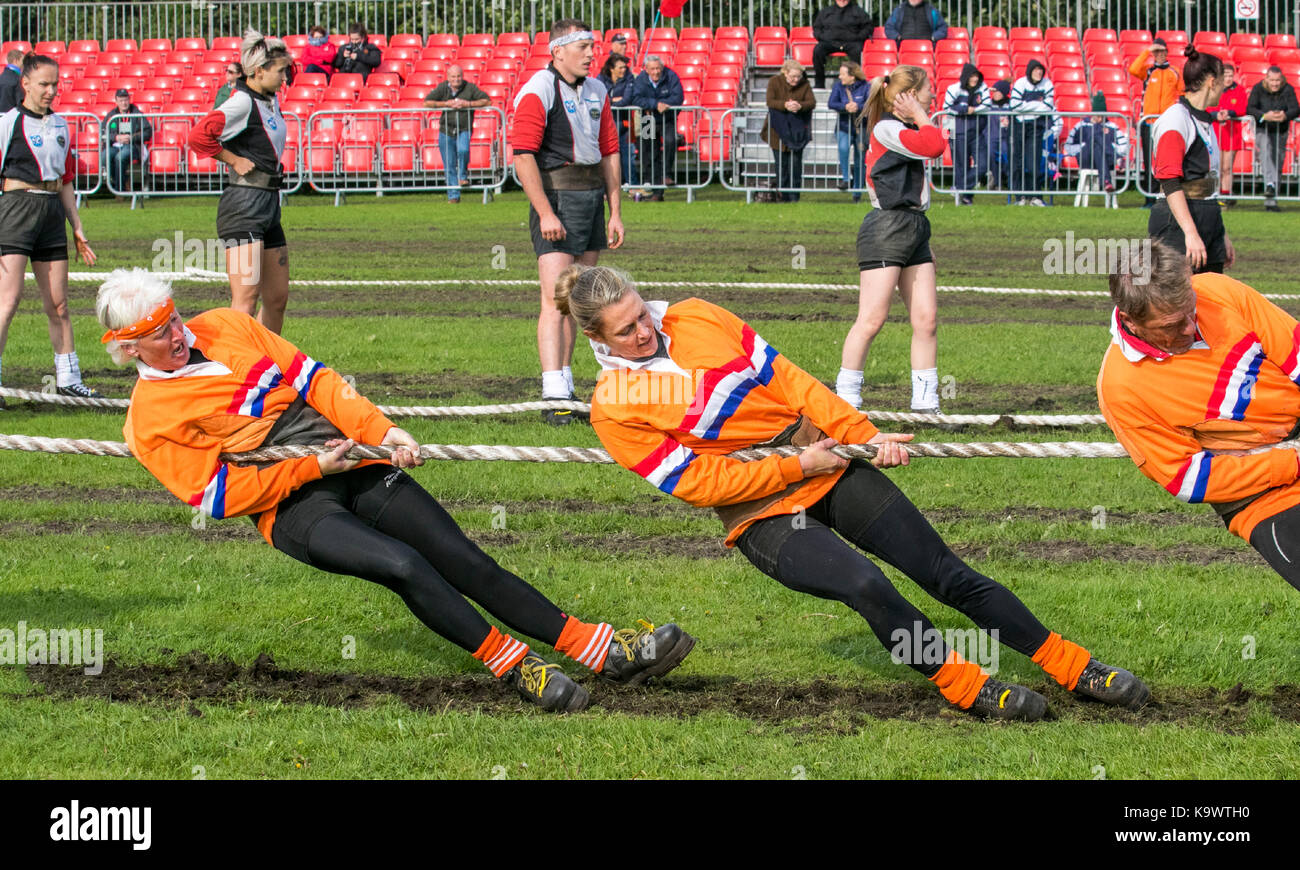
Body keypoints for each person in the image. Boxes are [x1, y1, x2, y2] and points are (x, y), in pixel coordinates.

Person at [558, 263, 1149, 721]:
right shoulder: (614, 409)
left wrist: (862, 436)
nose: (644, 330)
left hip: (829, 458)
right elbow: (701, 483)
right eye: (627, 329)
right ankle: (965, 685)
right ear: (595, 336)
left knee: (944, 571)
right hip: (762, 509)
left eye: (642, 314)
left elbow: (789, 380)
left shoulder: (694, 315)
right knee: (866, 584)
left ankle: (1074, 667)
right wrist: (796, 468)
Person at [95, 268, 694, 713]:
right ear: (127, 350)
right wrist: (312, 470)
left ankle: (602, 651)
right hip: (292, 506)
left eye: (174, 318)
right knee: (403, 565)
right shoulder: (148, 419)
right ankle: (515, 668)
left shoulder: (225, 326)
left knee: (462, 557)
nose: (178, 334)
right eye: (159, 333)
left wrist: (381, 431)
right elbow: (216, 496)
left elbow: (316, 380)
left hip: (349, 457)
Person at [1098, 242, 1300, 596]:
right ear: (1130, 320)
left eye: (1191, 310)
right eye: (1172, 325)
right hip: (1262, 495)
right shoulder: (1121, 388)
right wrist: (1291, 463)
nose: (1191, 328)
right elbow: (1191, 479)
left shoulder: (1218, 290)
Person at [510, 18, 624, 425]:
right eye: (583, 47)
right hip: (557, 198)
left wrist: (615, 212)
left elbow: (610, 153)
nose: (592, 54)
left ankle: (567, 388)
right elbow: (523, 155)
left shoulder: (598, 90)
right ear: (558, 50)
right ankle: (552, 393)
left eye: (593, 46)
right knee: (555, 302)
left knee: (579, 302)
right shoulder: (539, 88)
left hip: (591, 200)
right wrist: (545, 212)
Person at [838, 65, 944, 415]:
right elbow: (935, 145)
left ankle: (926, 404)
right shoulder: (887, 128)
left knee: (926, 320)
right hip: (887, 227)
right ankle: (846, 399)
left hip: (914, 224)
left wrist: (917, 116)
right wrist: (920, 114)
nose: (932, 94)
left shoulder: (904, 127)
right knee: (871, 319)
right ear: (909, 96)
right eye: (926, 90)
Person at [0, 53, 102, 406]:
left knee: (59, 305)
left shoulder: (60, 126)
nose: (51, 90)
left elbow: (66, 181)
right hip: (15, 211)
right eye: (44, 84)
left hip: (51, 215)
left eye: (55, 84)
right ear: (25, 83)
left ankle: (69, 380)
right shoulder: (7, 123)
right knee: (8, 301)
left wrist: (77, 227)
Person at [188, 29, 293, 334]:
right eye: (280, 71)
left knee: (277, 299)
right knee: (245, 300)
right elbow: (198, 136)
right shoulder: (242, 103)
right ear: (259, 72)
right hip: (243, 206)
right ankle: (239, 372)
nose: (285, 77)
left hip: (268, 204)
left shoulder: (268, 101)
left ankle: (268, 367)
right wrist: (233, 160)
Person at [1149, 46, 1235, 274]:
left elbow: (1208, 183)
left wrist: (1221, 232)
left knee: (1211, 301)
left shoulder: (1205, 121)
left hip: (1206, 219)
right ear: (1210, 81)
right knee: (1176, 303)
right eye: (1221, 78)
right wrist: (1190, 233)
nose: (1224, 86)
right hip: (1175, 226)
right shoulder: (1176, 119)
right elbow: (1169, 180)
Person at [422, 65, 490, 204]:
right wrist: (446, 104)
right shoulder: (442, 88)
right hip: (446, 130)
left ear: (462, 76)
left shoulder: (470, 88)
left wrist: (468, 104)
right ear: (448, 78)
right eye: (453, 77)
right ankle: (453, 195)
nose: (456, 79)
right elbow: (427, 103)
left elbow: (487, 101)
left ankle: (463, 176)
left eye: (458, 76)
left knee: (463, 150)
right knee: (449, 163)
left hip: (464, 128)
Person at [1130, 38, 1184, 207]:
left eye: (1162, 51)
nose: (1160, 55)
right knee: (1149, 160)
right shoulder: (1148, 71)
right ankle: (1149, 197)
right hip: (1149, 122)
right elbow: (1133, 69)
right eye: (1157, 52)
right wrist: (1147, 51)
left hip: (1167, 123)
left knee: (1166, 161)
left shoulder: (1174, 72)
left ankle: (1165, 196)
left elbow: (1182, 93)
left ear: (1167, 52)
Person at [761, 58, 815, 203]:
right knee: (781, 166)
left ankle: (794, 197)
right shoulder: (774, 82)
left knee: (796, 166)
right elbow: (770, 101)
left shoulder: (805, 84)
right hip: (776, 132)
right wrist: (785, 105)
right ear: (785, 73)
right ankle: (782, 197)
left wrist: (800, 106)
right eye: (793, 76)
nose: (796, 80)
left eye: (798, 76)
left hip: (797, 133)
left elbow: (811, 102)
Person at [1247, 66, 1299, 213]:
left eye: (1277, 80)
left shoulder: (1288, 89)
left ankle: (1271, 199)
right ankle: (1270, 184)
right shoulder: (1258, 89)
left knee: (1277, 161)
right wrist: (1265, 116)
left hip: (1281, 131)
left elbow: (1295, 108)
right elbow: (1250, 108)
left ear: (1281, 79)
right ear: (1266, 79)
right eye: (1272, 80)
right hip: (1263, 129)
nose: (1275, 83)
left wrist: (1285, 116)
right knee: (1266, 151)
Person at [630, 55, 683, 198]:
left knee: (670, 141)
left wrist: (663, 105)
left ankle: (666, 174)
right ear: (646, 69)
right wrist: (655, 105)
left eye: (658, 68)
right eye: (652, 69)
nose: (656, 72)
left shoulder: (671, 76)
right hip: (648, 119)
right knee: (648, 151)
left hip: (667, 118)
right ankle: (651, 185)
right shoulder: (641, 79)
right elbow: (636, 98)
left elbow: (678, 97)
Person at [1010, 59, 1054, 206]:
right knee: (1018, 161)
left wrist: (1027, 106)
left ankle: (1035, 196)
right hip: (1019, 125)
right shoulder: (1020, 83)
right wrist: (1037, 105)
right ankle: (1020, 197)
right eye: (1035, 70)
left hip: (1036, 126)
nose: (1039, 73)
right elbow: (1014, 105)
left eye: (1040, 70)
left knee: (1033, 162)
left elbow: (1048, 107)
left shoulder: (1047, 84)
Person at [1063, 92, 1128, 192]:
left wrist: (1110, 145)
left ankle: (1106, 181)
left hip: (1106, 160)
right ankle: (1117, 162)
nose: (1101, 118)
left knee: (1097, 145)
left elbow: (1124, 148)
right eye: (1098, 115)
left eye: (1103, 116)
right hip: (1086, 159)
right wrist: (1085, 145)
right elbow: (1068, 147)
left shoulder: (1112, 127)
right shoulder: (1081, 126)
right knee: (1095, 141)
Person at [943, 62, 988, 204]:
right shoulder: (953, 88)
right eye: (972, 76)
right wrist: (963, 109)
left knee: (982, 165)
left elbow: (987, 105)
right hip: (958, 131)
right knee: (961, 166)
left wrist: (974, 110)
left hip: (976, 131)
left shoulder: (983, 88)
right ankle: (966, 197)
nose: (974, 79)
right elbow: (946, 108)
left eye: (976, 76)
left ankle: (960, 188)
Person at [829, 61, 870, 201]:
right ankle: (846, 179)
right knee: (843, 148)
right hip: (844, 126)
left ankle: (857, 191)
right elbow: (831, 103)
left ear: (852, 76)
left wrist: (858, 107)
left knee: (860, 159)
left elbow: (870, 103)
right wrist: (845, 107)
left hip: (861, 128)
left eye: (842, 74)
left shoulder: (866, 86)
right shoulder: (838, 87)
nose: (840, 77)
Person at [597, 53, 639, 189]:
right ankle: (607, 185)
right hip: (605, 123)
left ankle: (632, 185)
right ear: (611, 68)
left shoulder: (629, 78)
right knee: (606, 155)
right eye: (620, 67)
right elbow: (599, 98)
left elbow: (627, 99)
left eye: (624, 67)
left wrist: (609, 102)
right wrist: (612, 101)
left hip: (625, 123)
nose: (623, 70)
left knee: (628, 155)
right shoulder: (601, 79)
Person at [811, 0, 873, 90]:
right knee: (818, 50)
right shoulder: (826, 12)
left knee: (858, 51)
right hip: (829, 42)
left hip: (851, 42)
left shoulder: (858, 11)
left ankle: (855, 84)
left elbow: (868, 27)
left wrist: (858, 37)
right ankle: (819, 84)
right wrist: (823, 37)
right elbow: (817, 28)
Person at [103, 88, 153, 197]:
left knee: (120, 157)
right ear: (116, 101)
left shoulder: (137, 113)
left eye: (125, 100)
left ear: (129, 100)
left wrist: (131, 138)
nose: (124, 103)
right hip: (115, 145)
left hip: (133, 146)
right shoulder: (111, 115)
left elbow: (147, 132)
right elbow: (103, 132)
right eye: (121, 100)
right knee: (105, 156)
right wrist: (116, 137)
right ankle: (123, 182)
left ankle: (119, 192)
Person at [1209, 62, 1247, 206]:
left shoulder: (1240, 90)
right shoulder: (1214, 89)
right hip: (1216, 133)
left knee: (1227, 166)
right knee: (1216, 166)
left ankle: (1226, 193)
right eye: (1226, 75)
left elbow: (1243, 108)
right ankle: (1215, 192)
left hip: (1232, 133)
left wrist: (1230, 113)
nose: (1228, 78)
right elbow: (1207, 107)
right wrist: (1215, 114)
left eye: (1231, 75)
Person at [985, 78, 1012, 189]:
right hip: (990, 136)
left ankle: (1006, 178)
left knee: (1007, 156)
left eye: (998, 91)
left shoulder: (1010, 105)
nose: (995, 94)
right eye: (994, 91)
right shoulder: (988, 104)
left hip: (1005, 137)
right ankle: (997, 180)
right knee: (990, 155)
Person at [883, 0, 948, 44]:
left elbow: (943, 28)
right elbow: (889, 27)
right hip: (903, 49)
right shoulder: (899, 10)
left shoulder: (932, 10)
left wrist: (934, 37)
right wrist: (897, 37)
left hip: (926, 50)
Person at [0, 48, 25, 113]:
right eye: (23, 61)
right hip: (12, 118)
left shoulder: (1, 77)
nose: (24, 64)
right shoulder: (17, 79)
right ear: (16, 61)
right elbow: (21, 103)